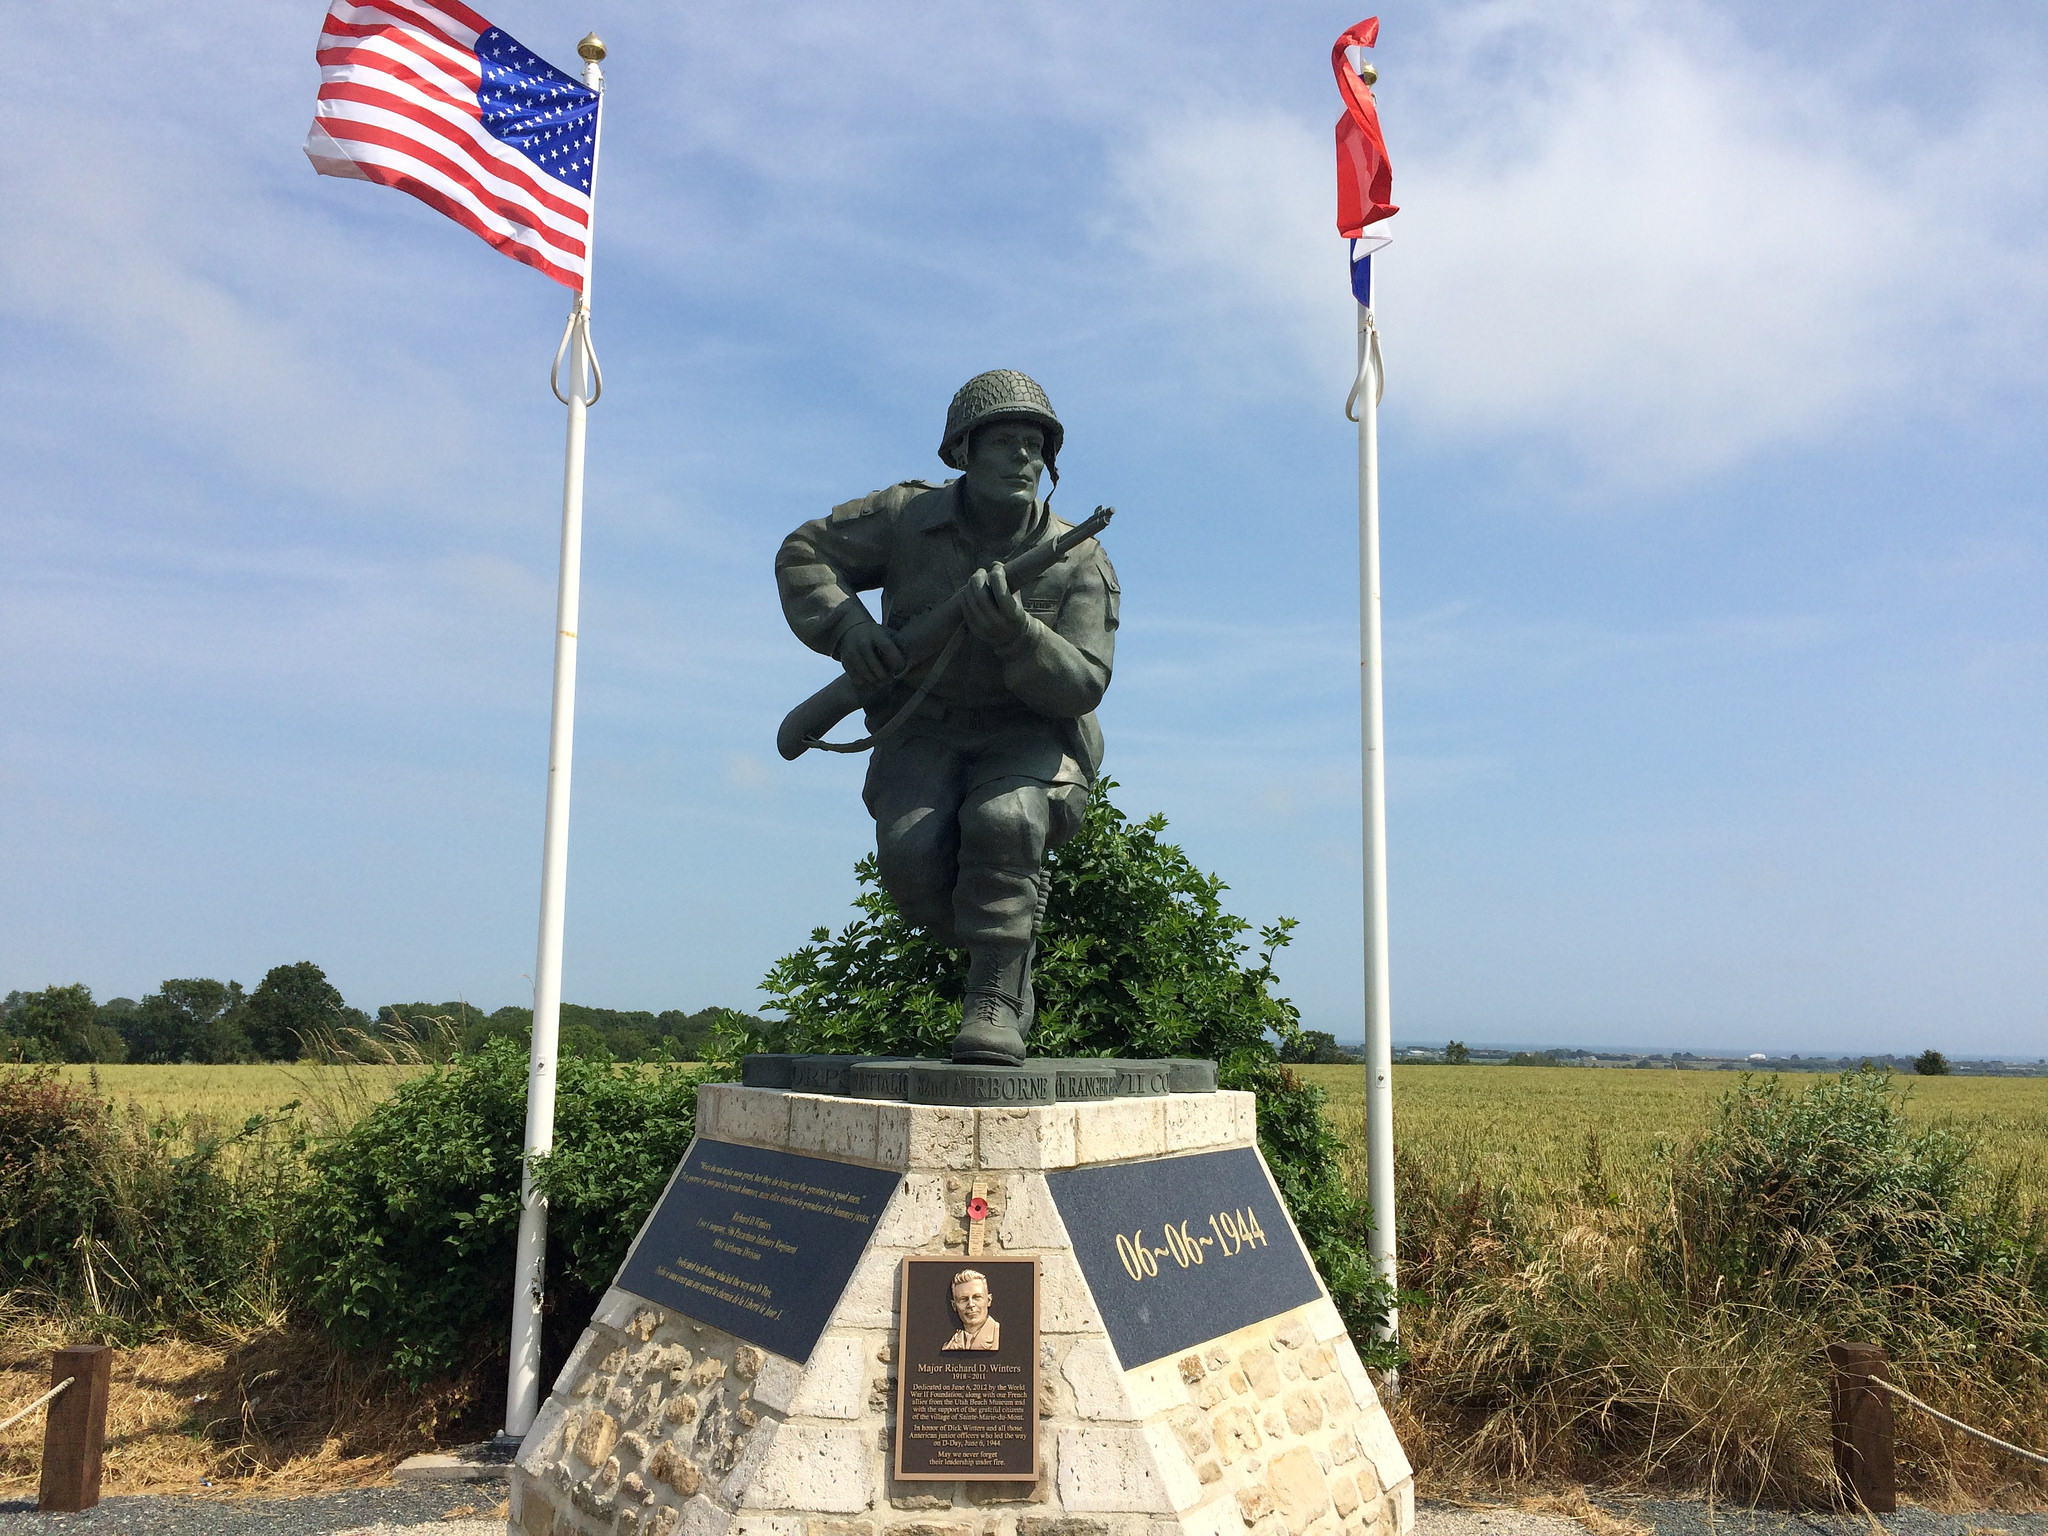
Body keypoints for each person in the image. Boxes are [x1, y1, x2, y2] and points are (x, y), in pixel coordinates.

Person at [775, 370, 1118, 1065]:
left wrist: (1019, 638)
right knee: (911, 862)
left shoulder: (1079, 558)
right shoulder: (907, 517)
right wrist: (848, 628)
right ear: (963, 450)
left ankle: (995, 991)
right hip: (922, 727)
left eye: (1033, 444)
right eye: (1003, 442)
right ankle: (1004, 942)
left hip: (1032, 733)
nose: (1022, 457)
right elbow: (805, 553)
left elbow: (1084, 680)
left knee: (1006, 822)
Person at [941, 1268, 1000, 1351]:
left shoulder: (1000, 1334)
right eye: (964, 1299)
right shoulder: (950, 1345)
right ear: (954, 1306)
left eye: (977, 1297)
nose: (971, 1304)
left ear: (988, 1300)